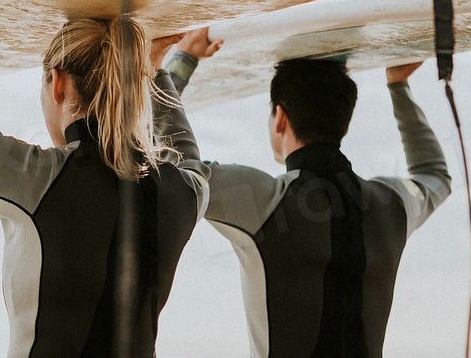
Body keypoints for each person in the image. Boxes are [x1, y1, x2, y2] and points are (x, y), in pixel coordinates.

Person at [0, 15, 210, 358]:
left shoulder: (36, 177)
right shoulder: (183, 193)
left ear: (57, 84)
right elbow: (188, 157)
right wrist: (156, 71)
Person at [166, 32, 451, 358]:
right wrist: (398, 84)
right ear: (345, 126)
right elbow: (434, 174)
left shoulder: (263, 203)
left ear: (280, 118)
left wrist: (182, 60)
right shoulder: (393, 205)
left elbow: (178, 167)